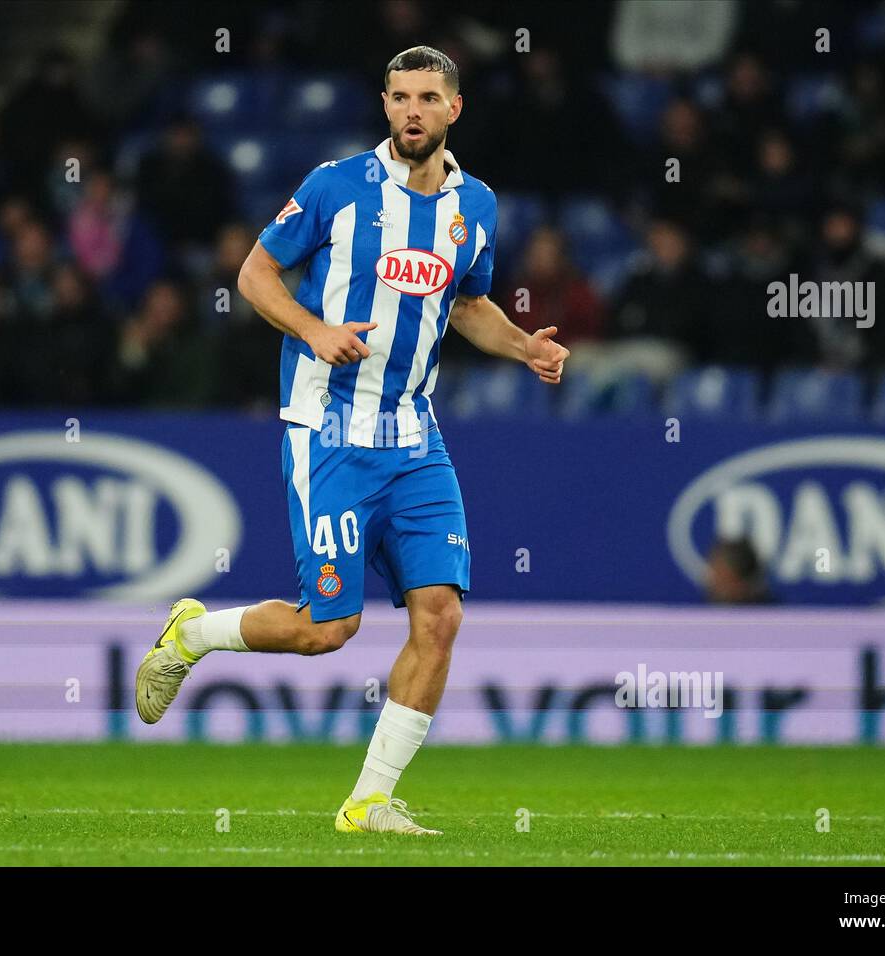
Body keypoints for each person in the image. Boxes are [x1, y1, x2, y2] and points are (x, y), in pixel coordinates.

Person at [133, 46, 569, 836]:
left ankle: (368, 802)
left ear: (453, 110)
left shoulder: (478, 205)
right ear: (385, 104)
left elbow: (467, 305)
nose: (412, 110)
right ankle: (191, 633)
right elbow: (256, 275)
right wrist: (314, 328)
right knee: (327, 630)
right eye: (400, 96)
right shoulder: (335, 186)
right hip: (328, 430)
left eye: (428, 98)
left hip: (414, 436)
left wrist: (524, 347)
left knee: (439, 617)